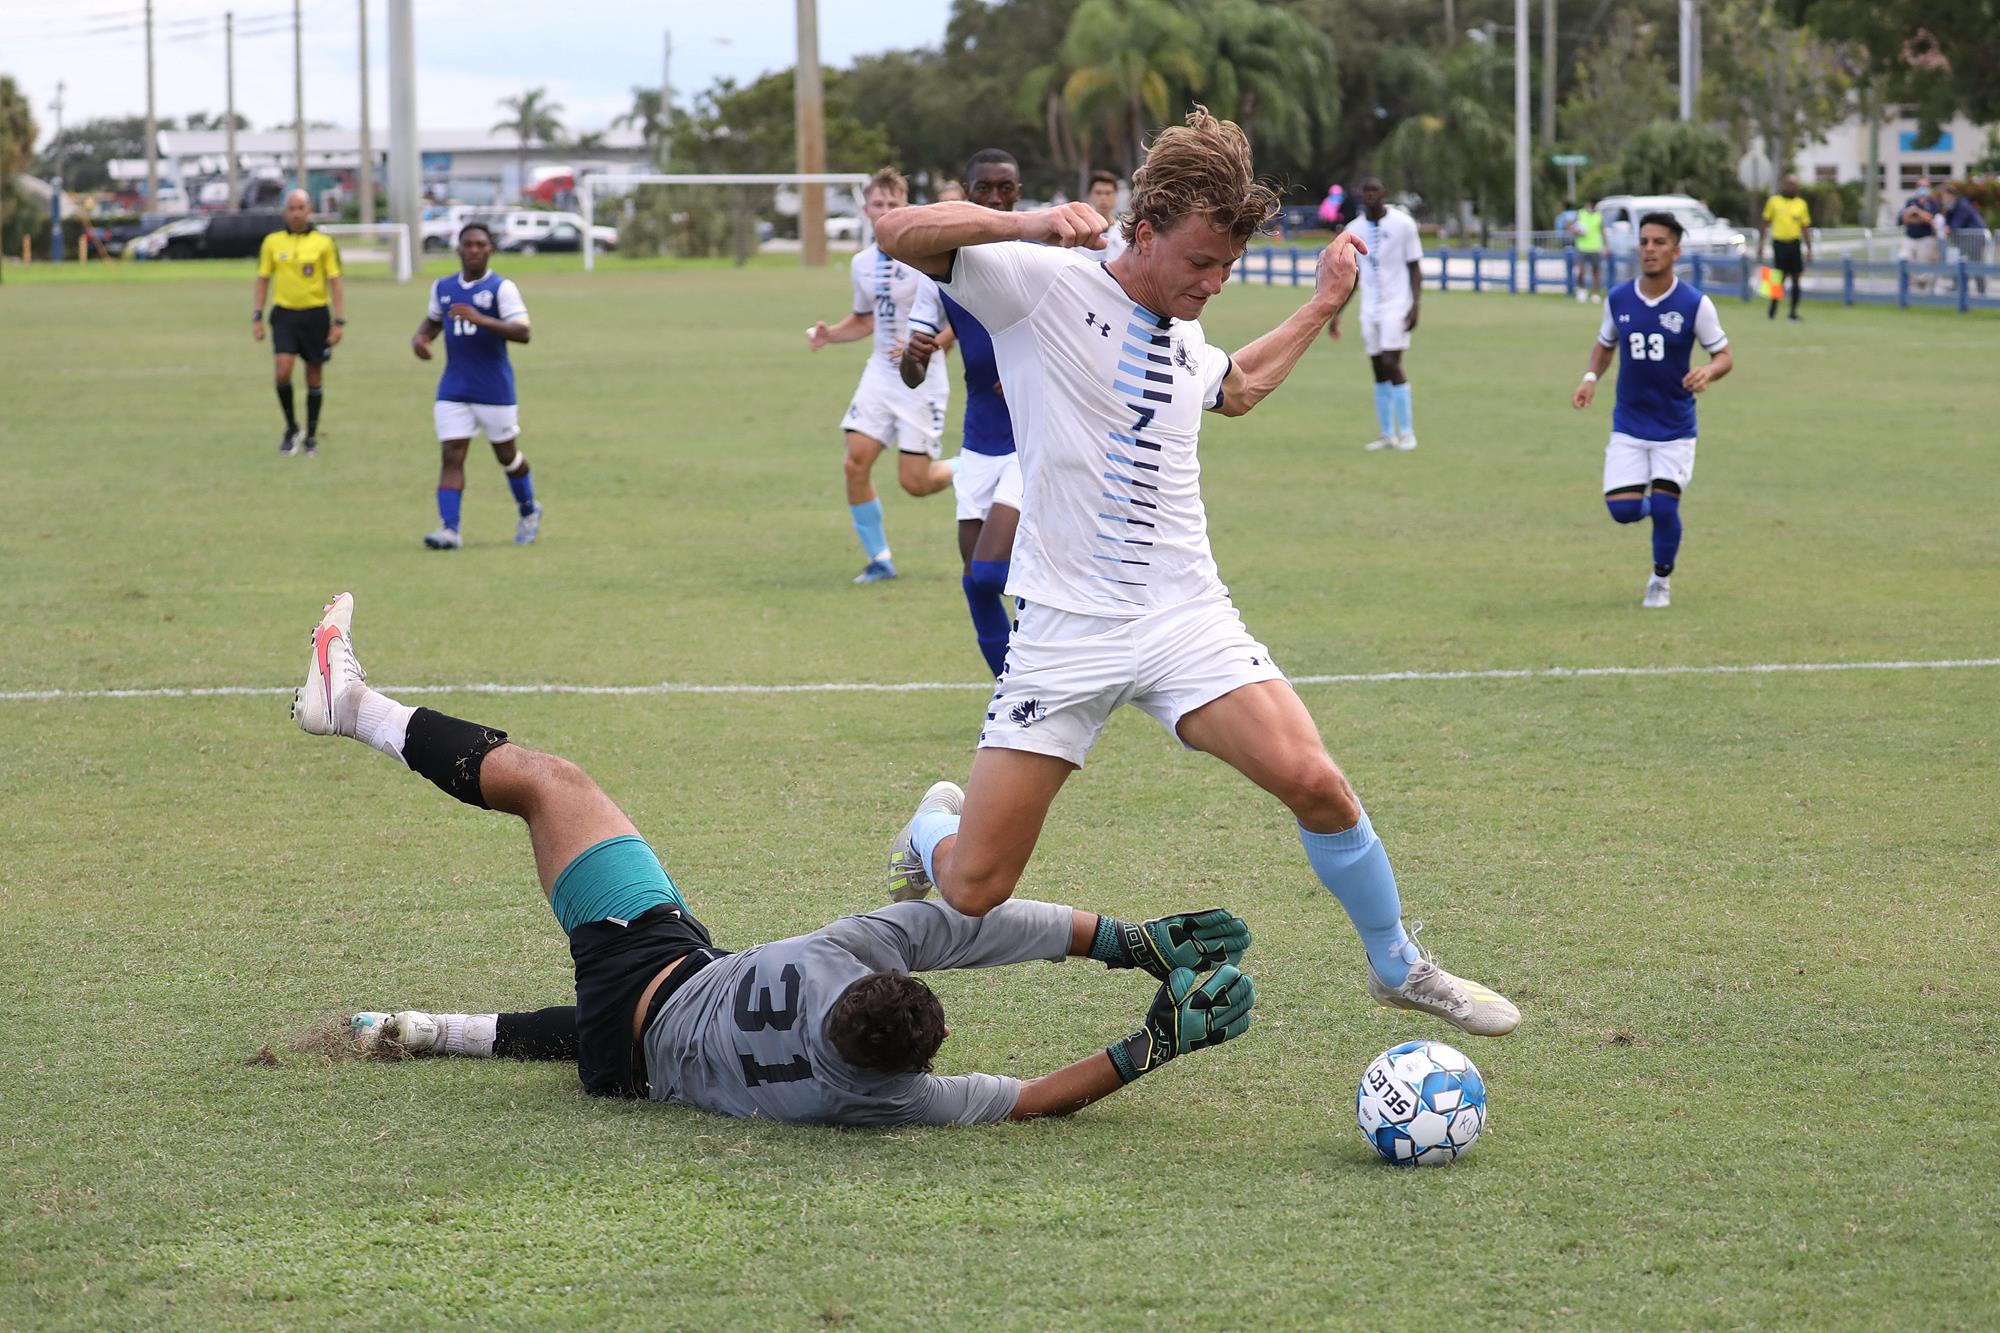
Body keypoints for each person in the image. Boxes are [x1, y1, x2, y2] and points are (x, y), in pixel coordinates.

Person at [872, 107, 1519, 1038]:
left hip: (1185, 618)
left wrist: (1326, 299)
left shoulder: (1183, 329)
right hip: (1065, 627)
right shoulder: (1041, 283)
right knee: (972, 885)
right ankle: (931, 827)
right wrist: (1026, 219)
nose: (1213, 286)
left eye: (1227, 270)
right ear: (1142, 234)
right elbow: (896, 231)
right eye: (1200, 265)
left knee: (1319, 783)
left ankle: (1398, 963)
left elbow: (1238, 387)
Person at [294, 593, 1257, 1122]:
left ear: (868, 980)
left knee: (552, 783)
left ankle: (355, 711)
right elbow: (1039, 1099)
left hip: (645, 968)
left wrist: (1133, 948)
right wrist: (1152, 1046)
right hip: (624, 1070)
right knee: (604, 1022)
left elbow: (979, 923)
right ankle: (426, 1029)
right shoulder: (878, 1099)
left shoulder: (836, 955)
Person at [903, 148, 1027, 677]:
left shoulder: (1038, 255)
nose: (996, 198)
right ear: (967, 193)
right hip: (977, 444)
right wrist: (914, 359)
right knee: (974, 580)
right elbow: (912, 373)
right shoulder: (941, 273)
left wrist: (1029, 372)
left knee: (991, 571)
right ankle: (1014, 690)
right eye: (985, 189)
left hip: (1034, 441)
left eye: (1006, 188)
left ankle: (1045, 661)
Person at [1570, 212, 1734, 610]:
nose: (1649, 249)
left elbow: (1724, 355)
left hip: (1675, 426)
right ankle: (1659, 510)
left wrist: (1709, 371)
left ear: (1676, 252)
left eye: (1659, 242)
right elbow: (1606, 344)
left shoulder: (1695, 304)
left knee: (1664, 505)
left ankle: (1660, 579)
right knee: (1623, 511)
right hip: (1629, 422)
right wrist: (1591, 376)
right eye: (1644, 241)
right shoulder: (1619, 298)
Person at [806, 168, 957, 584]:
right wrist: (830, 334)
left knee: (916, 483)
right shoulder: (860, 264)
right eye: (878, 204)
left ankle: (973, 468)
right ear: (865, 209)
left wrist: (925, 346)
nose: (885, 210)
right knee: (855, 464)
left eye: (894, 204)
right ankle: (880, 559)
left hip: (922, 379)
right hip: (879, 374)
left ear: (906, 208)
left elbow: (958, 322)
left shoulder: (931, 255)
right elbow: (865, 319)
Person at [409, 223, 539, 550]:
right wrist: (421, 339)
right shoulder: (443, 287)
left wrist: (482, 319)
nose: (475, 250)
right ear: (459, 249)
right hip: (453, 387)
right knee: (452, 455)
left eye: (481, 245)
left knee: (507, 456)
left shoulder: (501, 289)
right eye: (469, 244)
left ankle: (528, 510)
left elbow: (523, 332)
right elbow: (433, 321)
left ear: (491, 249)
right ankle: (449, 530)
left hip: (494, 389)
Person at [1326, 176, 1422, 452]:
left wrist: (1415, 306)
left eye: (1375, 190)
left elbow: (1415, 267)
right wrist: (1337, 312)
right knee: (1378, 368)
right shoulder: (1354, 229)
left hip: (1397, 304)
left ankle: (1407, 432)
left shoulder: (1403, 224)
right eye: (1365, 191)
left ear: (1384, 193)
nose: (1370, 195)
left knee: (1393, 364)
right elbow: (1353, 276)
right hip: (1370, 307)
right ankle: (1386, 433)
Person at [252, 189, 344, 457]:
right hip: (284, 315)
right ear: (285, 212)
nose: (296, 213)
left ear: (309, 210)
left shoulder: (323, 243)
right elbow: (263, 279)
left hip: (316, 315)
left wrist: (338, 321)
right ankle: (291, 427)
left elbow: (335, 281)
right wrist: (257, 315)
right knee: (282, 371)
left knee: (314, 376)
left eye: (301, 207)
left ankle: (312, 436)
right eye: (291, 208)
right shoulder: (272, 242)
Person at [1758, 174, 1813, 322]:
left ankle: (1793, 312)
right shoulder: (1774, 201)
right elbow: (1765, 222)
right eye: (1788, 184)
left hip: (1794, 244)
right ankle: (1771, 312)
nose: (1790, 187)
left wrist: (1809, 249)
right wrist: (1761, 243)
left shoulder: (1801, 204)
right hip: (1779, 244)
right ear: (1783, 185)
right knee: (1776, 278)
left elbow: (1805, 228)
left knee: (1796, 278)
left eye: (1793, 185)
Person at [1936, 184, 1989, 294]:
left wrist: (1947, 229)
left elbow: (1956, 224)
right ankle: (1957, 287)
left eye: (1945, 196)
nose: (1943, 198)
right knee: (1957, 262)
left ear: (1952, 195)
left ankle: (1981, 290)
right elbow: (1948, 222)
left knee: (1976, 264)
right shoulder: (1951, 207)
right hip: (1963, 240)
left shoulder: (1962, 205)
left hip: (1975, 239)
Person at [1898, 180, 1943, 293]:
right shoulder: (1910, 201)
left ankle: (1924, 291)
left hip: (1926, 239)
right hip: (1910, 237)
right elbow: (1905, 220)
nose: (1923, 188)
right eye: (1921, 186)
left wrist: (1917, 212)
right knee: (1904, 259)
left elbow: (1931, 220)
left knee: (1923, 268)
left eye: (1925, 186)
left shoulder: (1933, 203)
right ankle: (1913, 288)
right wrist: (1919, 218)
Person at [1087, 169, 1127, 262]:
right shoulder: (1080, 232)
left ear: (1116, 196)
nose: (1103, 198)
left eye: (1108, 193)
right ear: (1090, 195)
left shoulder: (1125, 232)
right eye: (1098, 193)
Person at [1572, 199, 1605, 303]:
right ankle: (1582, 290)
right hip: (1582, 247)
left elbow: (1602, 231)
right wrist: (1577, 232)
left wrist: (1606, 246)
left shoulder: (1599, 216)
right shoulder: (1580, 213)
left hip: (1595, 247)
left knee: (1596, 272)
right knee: (1580, 270)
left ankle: (1595, 294)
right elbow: (1573, 228)